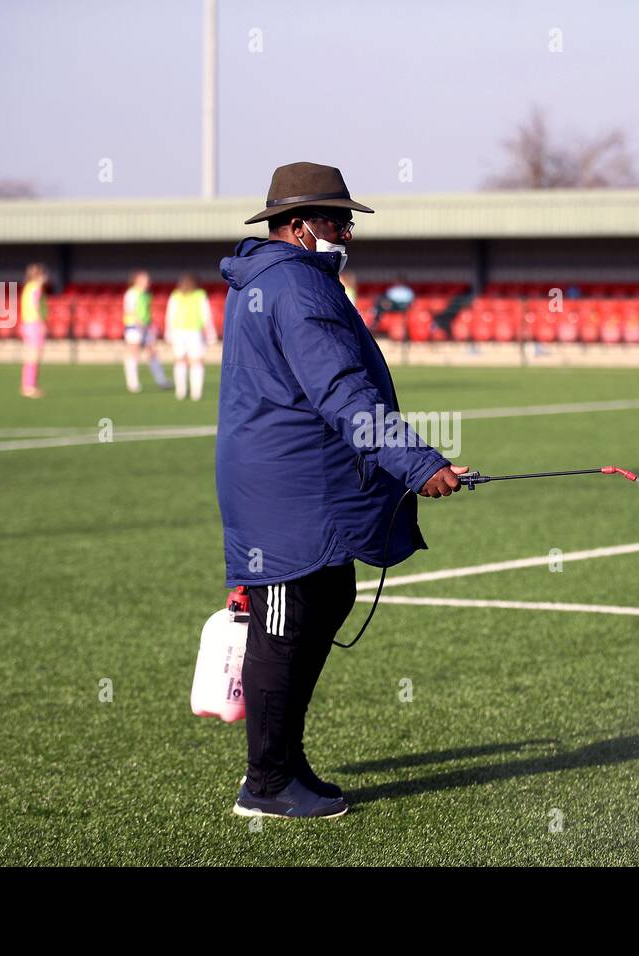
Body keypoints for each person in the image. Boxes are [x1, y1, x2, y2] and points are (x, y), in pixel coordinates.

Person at [216, 162, 469, 819]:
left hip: (298, 483)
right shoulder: (296, 286)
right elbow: (340, 393)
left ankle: (285, 761)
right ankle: (265, 783)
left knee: (328, 597)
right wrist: (417, 465)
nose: (348, 232)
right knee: (285, 627)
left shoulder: (279, 280)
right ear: (297, 226)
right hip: (285, 493)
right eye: (337, 219)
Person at [165, 274, 216, 401]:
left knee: (180, 360)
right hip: (193, 332)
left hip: (179, 331)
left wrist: (168, 332)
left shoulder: (176, 295)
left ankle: (180, 391)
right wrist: (211, 333)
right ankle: (196, 393)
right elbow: (206, 315)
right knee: (196, 361)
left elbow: (170, 315)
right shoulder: (200, 295)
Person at [122, 270, 170, 393]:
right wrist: (139, 324)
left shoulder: (146, 294)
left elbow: (146, 311)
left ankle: (161, 380)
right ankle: (133, 383)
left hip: (146, 327)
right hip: (134, 327)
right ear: (137, 280)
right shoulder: (131, 293)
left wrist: (149, 325)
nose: (147, 282)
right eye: (144, 279)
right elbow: (130, 310)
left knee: (152, 352)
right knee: (134, 353)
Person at [19, 263, 48, 398]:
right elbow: (34, 306)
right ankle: (30, 387)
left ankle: (27, 385)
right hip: (33, 324)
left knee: (30, 356)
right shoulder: (35, 288)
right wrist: (40, 322)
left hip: (26, 324)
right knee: (34, 356)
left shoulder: (27, 287)